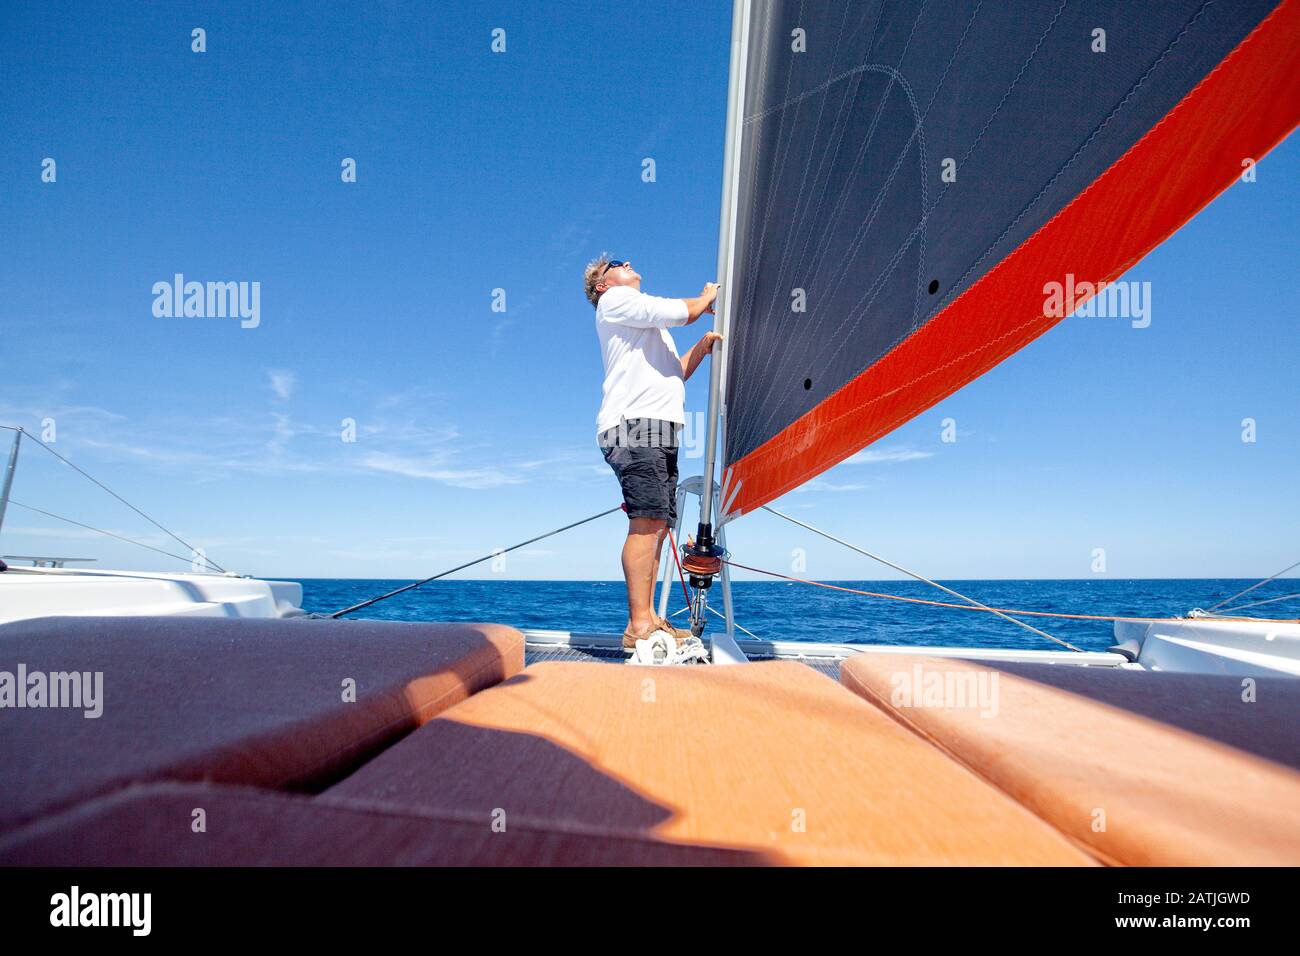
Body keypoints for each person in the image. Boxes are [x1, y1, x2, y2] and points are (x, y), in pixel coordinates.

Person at [584, 254, 720, 650]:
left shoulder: (645, 328)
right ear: (602, 285)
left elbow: (674, 372)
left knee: (658, 526)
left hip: (659, 426)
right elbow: (682, 312)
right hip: (635, 424)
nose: (628, 262)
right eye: (616, 263)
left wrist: (703, 347)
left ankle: (649, 620)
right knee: (646, 522)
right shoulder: (615, 302)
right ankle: (638, 625)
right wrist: (706, 298)